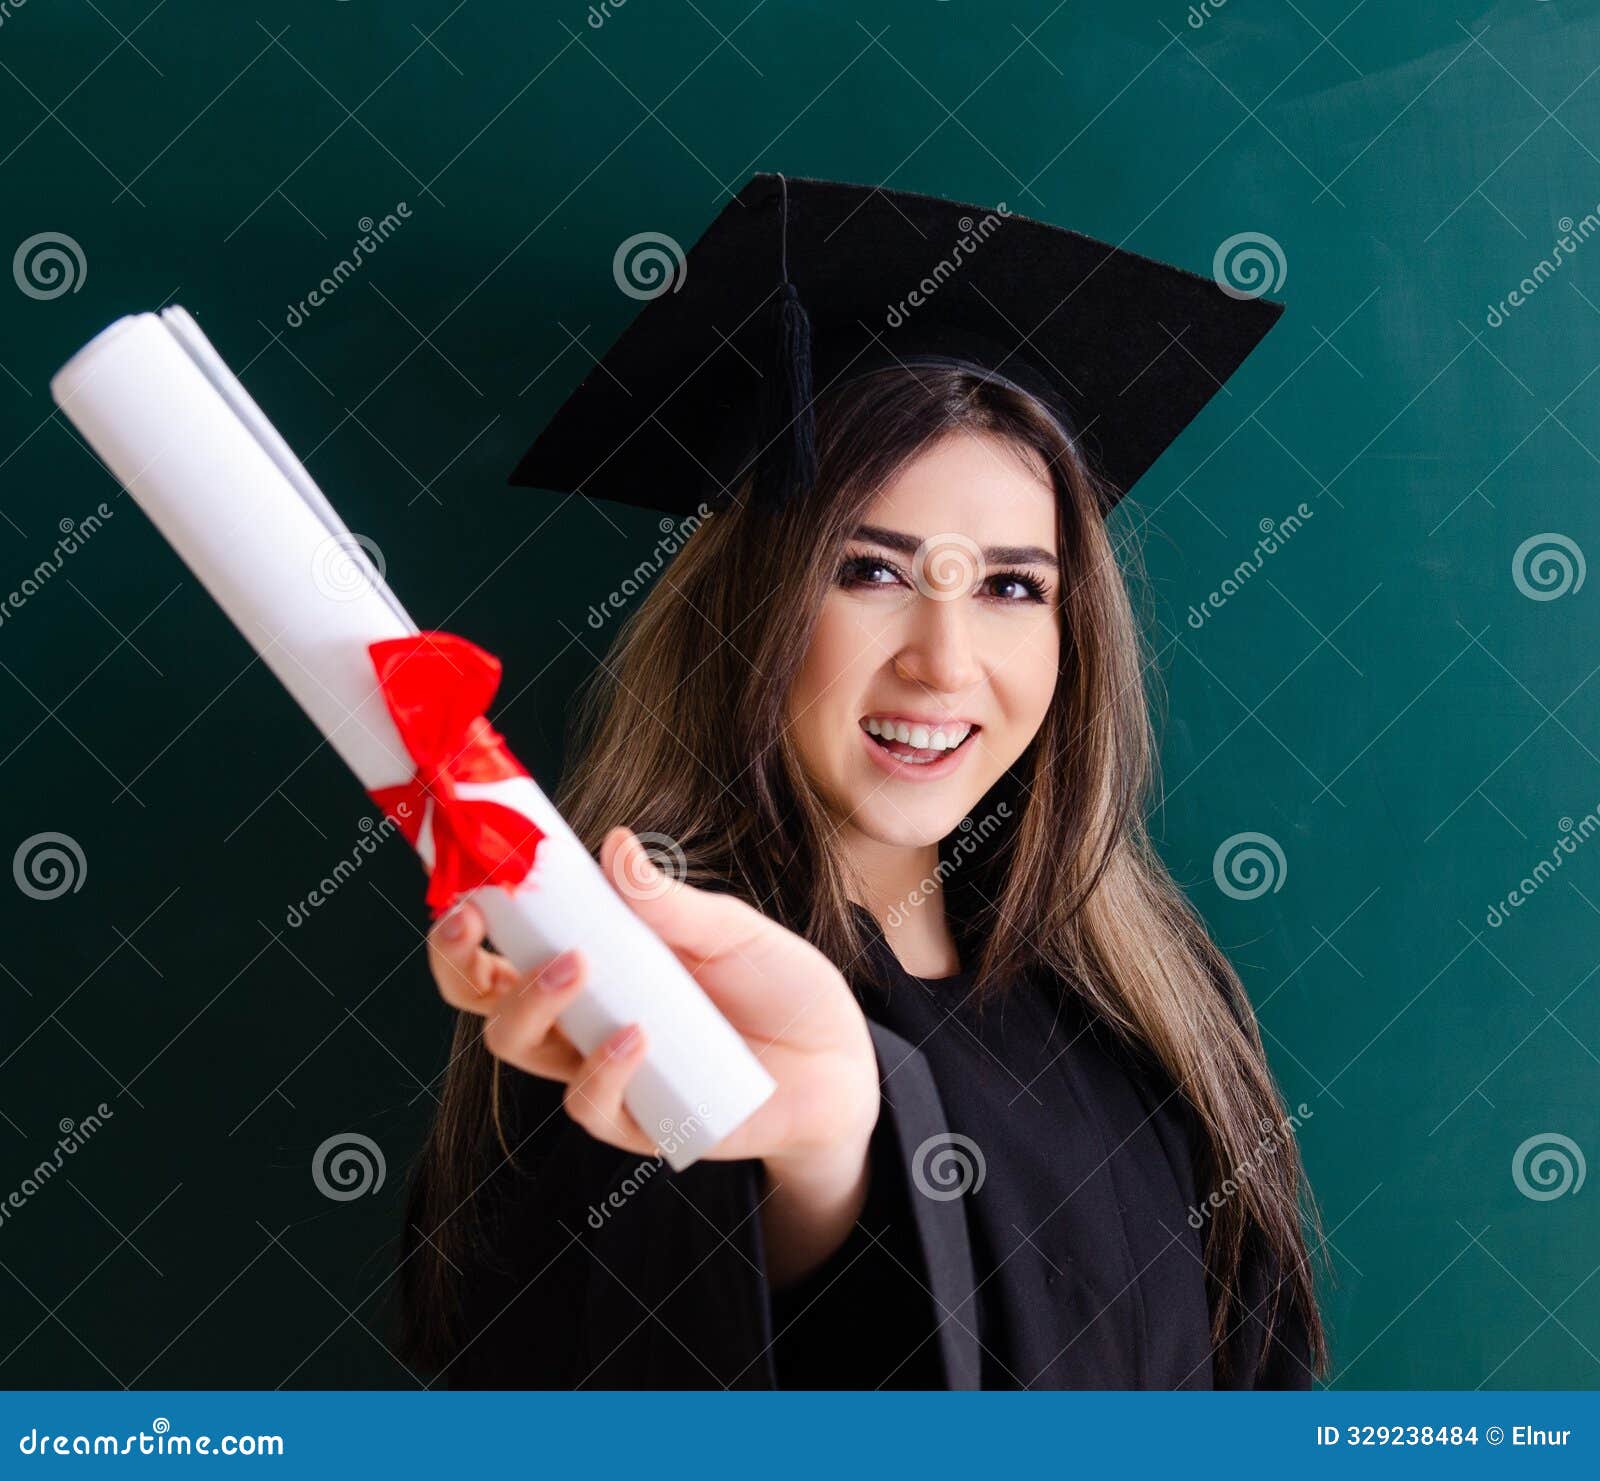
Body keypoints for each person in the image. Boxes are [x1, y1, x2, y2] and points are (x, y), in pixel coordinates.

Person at [394, 173, 1328, 1389]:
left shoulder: (1152, 1001)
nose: (944, 662)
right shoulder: (639, 992)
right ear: (751, 608)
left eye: (1009, 587)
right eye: (869, 572)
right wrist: (823, 1169)